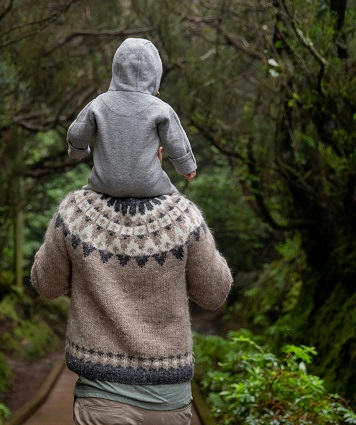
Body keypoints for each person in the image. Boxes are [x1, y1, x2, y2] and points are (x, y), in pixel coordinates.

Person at [30, 189, 233, 424]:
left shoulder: (75, 210)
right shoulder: (182, 214)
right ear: (159, 152)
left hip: (102, 399)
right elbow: (215, 293)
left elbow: (47, 285)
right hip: (168, 401)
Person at [67, 37, 197, 199]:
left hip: (104, 184)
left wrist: (77, 151)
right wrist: (187, 167)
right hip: (150, 185)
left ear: (116, 68)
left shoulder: (99, 103)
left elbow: (77, 133)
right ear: (155, 73)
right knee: (178, 205)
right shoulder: (160, 108)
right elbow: (176, 141)